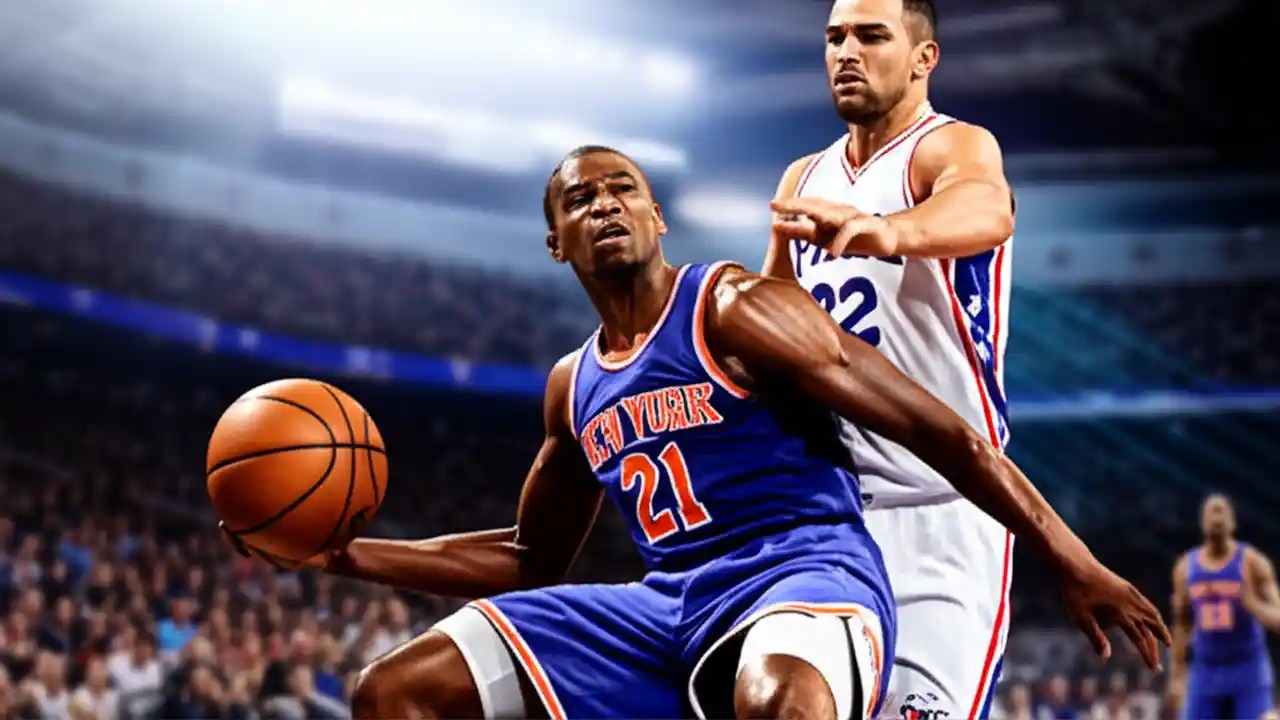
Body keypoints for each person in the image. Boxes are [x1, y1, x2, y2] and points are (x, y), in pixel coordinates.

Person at [225, 146, 1165, 720]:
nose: (604, 205)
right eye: (579, 199)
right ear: (557, 241)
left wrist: (1067, 555)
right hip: (666, 603)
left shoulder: (734, 307)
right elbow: (528, 559)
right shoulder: (572, 388)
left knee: (779, 700)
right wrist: (340, 558)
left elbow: (944, 432)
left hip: (808, 573)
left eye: (622, 189)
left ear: (655, 214)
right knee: (393, 691)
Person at [760, 0, 1031, 715]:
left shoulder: (950, 147)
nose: (847, 51)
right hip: (829, 520)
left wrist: (885, 231)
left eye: (871, 35)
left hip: (944, 505)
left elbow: (986, 208)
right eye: (835, 37)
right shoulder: (801, 178)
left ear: (923, 57)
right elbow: (773, 325)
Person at [1168, 495, 1277, 720]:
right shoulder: (1185, 568)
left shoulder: (1253, 563)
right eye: (1212, 511)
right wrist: (1177, 677)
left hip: (1248, 668)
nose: (1217, 516)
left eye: (1222, 511)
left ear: (1233, 523)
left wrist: (1253, 604)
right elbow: (1182, 626)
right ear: (1202, 522)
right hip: (1206, 669)